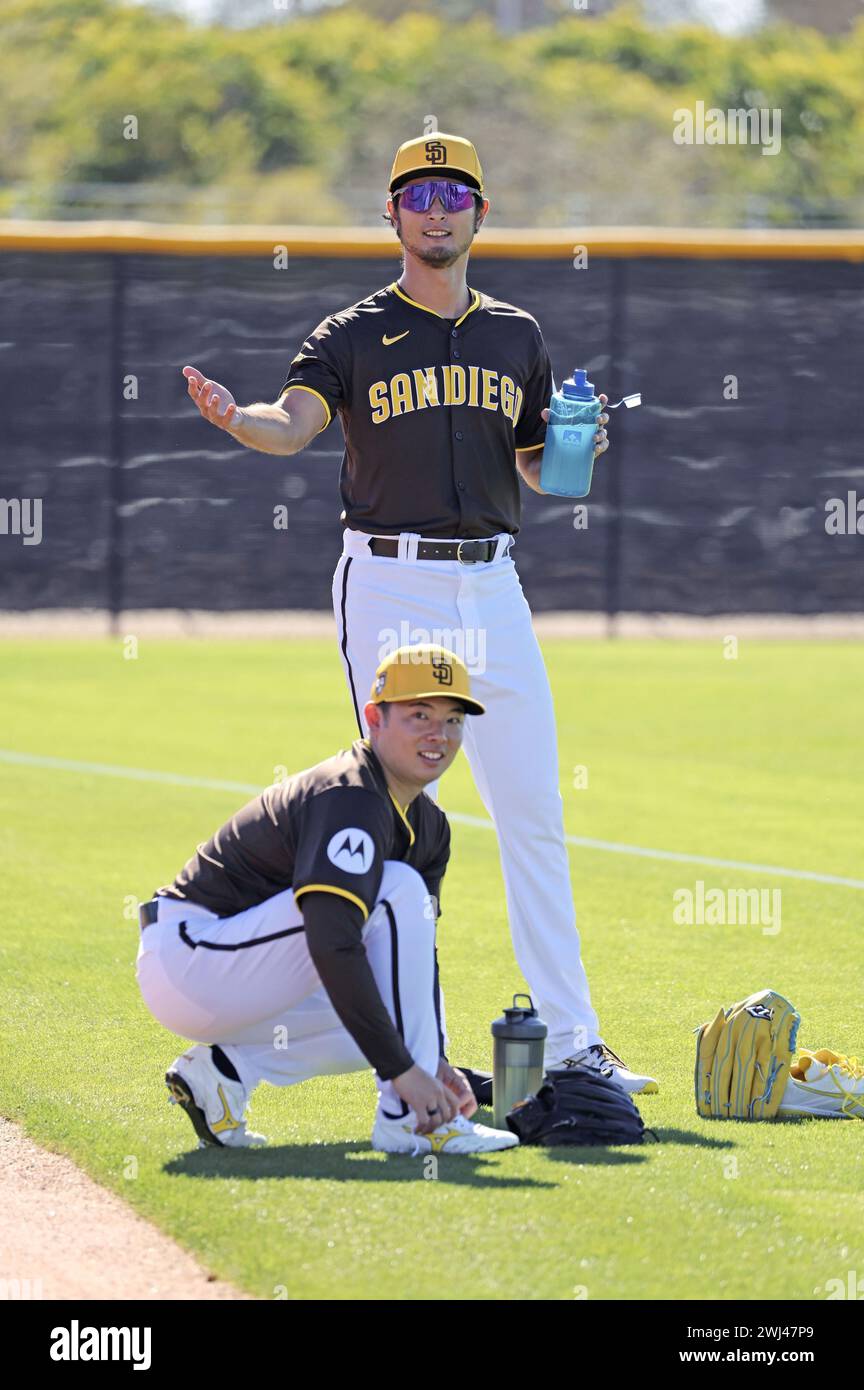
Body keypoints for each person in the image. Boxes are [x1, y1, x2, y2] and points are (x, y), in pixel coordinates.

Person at [181, 131, 658, 1094]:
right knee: (394, 818)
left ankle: (572, 1043)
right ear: (391, 214)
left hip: (491, 581)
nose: (436, 209)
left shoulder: (516, 335)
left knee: (533, 809)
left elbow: (534, 468)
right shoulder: (352, 332)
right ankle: (403, 1059)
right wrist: (242, 421)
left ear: (481, 212)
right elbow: (296, 421)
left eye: (453, 192)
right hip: (390, 580)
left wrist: (575, 448)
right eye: (417, 193)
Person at [136, 644, 518, 1155]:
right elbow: (332, 940)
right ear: (374, 718)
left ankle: (226, 1071)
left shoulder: (431, 827)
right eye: (419, 714)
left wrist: (435, 1058)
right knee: (395, 890)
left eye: (452, 720)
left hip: (239, 969)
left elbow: (414, 959)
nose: (438, 734)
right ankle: (410, 1121)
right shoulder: (350, 795)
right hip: (192, 956)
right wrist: (405, 1070)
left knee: (401, 992)